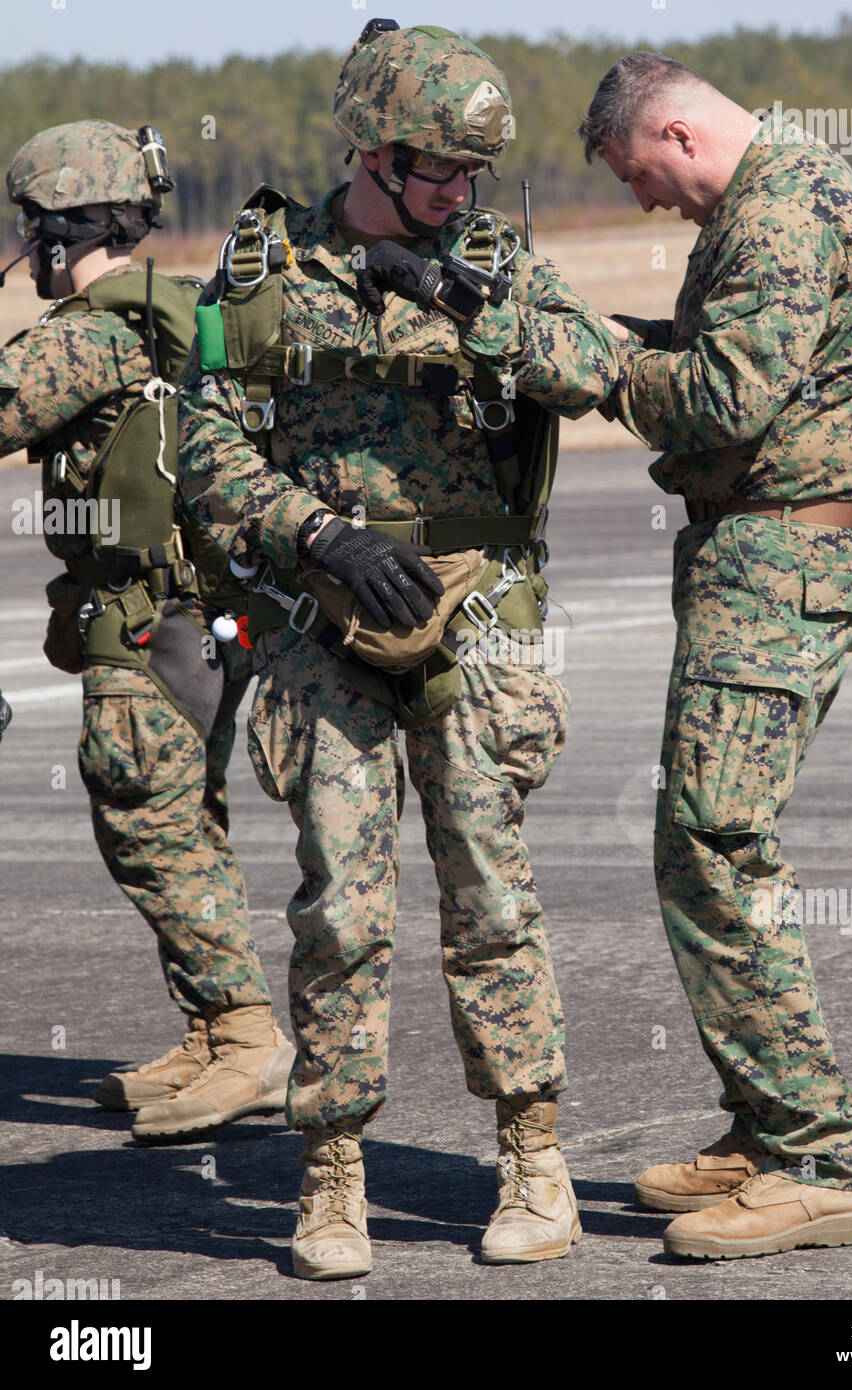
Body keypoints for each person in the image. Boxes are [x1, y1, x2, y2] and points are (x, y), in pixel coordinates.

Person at [176, 18, 618, 1279]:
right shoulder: (263, 272)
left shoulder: (492, 256)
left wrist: (482, 314)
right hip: (327, 618)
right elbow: (204, 445)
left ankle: (533, 1156)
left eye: (473, 175)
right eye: (436, 172)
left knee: (489, 894)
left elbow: (594, 370)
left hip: (473, 617)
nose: (457, 195)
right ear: (371, 152)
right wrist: (311, 529)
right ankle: (331, 1173)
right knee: (338, 911)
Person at [578, 53, 852, 1259]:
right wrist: (619, 333)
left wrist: (600, 365)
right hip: (757, 561)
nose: (648, 205)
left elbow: (722, 396)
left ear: (675, 130)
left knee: (715, 843)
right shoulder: (775, 200)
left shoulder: (779, 207)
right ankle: (768, 1130)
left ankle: (818, 1155)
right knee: (699, 842)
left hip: (776, 567)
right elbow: (722, 354)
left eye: (641, 179)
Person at [0, 120, 293, 1142]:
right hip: (203, 619)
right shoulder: (167, 314)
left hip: (150, 625)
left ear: (55, 232)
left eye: (30, 227)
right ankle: (215, 1032)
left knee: (149, 827)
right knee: (187, 822)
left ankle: (249, 1043)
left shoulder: (89, 333)